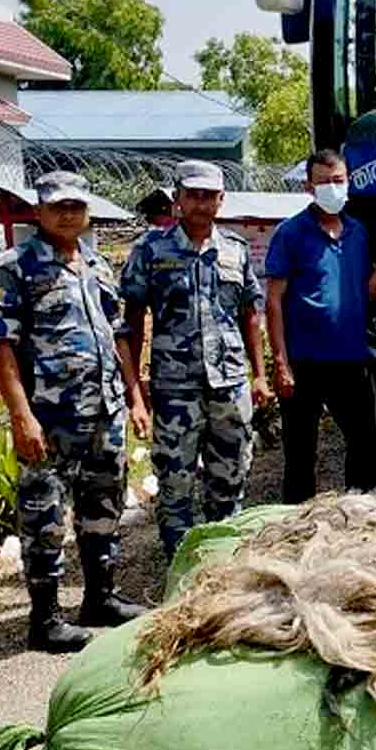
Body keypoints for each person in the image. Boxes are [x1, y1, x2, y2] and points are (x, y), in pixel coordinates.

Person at [0, 170, 148, 652]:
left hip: (105, 412)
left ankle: (100, 597)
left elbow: (119, 336)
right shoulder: (12, 268)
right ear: (40, 210)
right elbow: (0, 346)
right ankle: (46, 618)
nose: (68, 213)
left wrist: (134, 396)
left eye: (76, 205)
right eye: (58, 206)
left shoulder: (97, 264)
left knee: (104, 507)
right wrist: (20, 415)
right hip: (50, 419)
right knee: (44, 516)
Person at [118, 160, 270, 562]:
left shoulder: (235, 251)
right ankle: (181, 572)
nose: (201, 204)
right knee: (175, 486)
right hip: (175, 390)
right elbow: (130, 323)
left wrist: (259, 376)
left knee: (230, 482)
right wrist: (135, 393)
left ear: (221, 200)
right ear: (178, 199)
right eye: (193, 195)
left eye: (209, 196)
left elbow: (250, 314)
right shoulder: (150, 251)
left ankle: (223, 568)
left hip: (229, 387)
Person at [265, 149, 376, 504]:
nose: (332, 187)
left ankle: (362, 515)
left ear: (348, 182)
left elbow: (367, 292)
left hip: (349, 359)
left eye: (338, 180)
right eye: (324, 181)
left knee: (365, 444)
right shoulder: (290, 233)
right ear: (309, 187)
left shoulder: (358, 232)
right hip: (303, 363)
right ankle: (296, 527)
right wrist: (280, 363)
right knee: (300, 454)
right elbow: (273, 301)